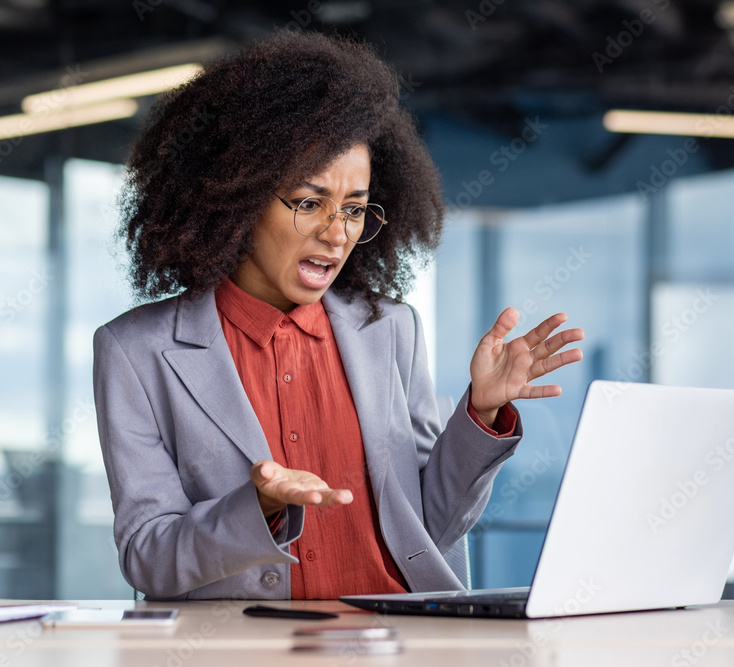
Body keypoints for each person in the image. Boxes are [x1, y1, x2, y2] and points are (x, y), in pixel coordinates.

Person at [93, 30, 584, 600]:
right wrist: (259, 509)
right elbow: (148, 557)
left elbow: (430, 528)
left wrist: (481, 411)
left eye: (354, 209)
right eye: (309, 203)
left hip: (396, 641)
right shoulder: (136, 351)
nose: (336, 232)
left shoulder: (391, 330)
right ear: (238, 199)